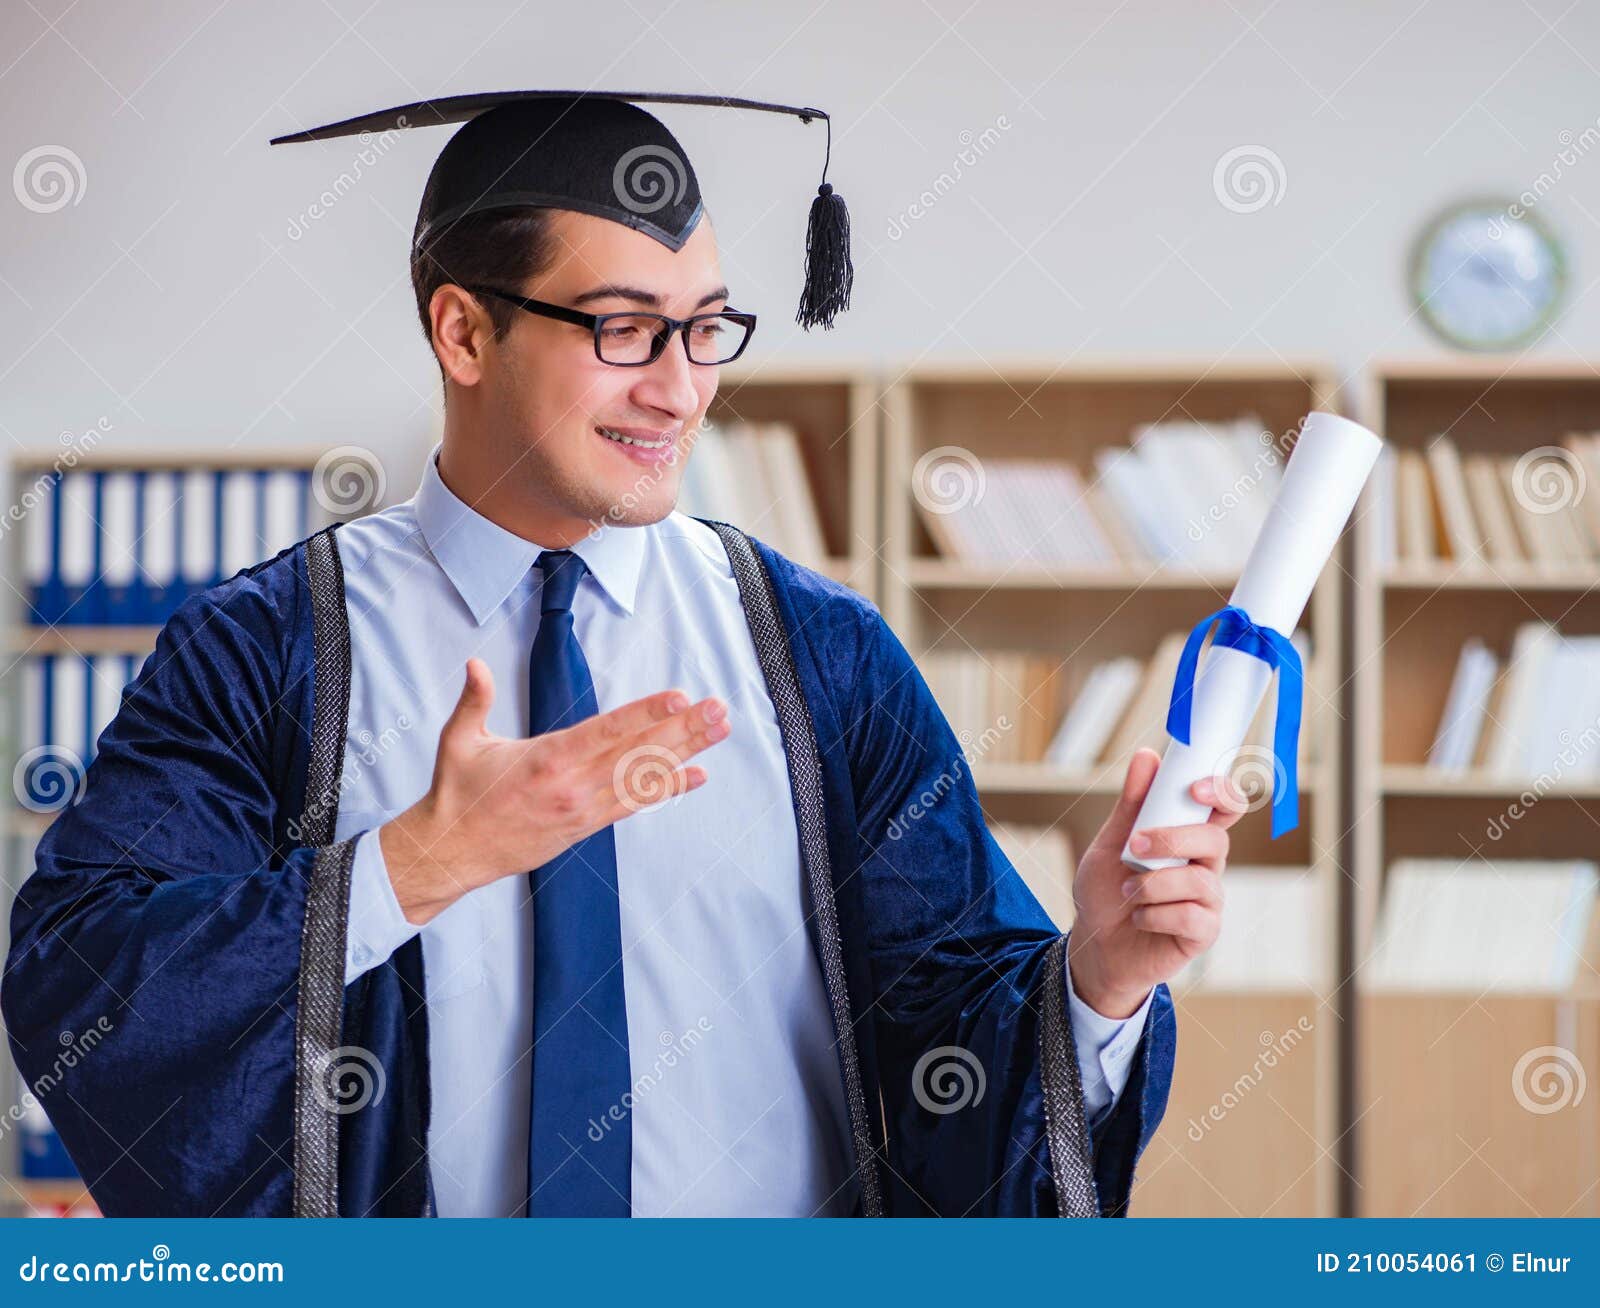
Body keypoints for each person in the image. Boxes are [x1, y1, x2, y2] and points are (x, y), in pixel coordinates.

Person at [2, 91, 1245, 1218]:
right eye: (623, 330)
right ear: (464, 334)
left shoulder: (820, 658)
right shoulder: (267, 650)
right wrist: (408, 868)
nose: (680, 390)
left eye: (707, 331)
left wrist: (1094, 981)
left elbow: (946, 1027)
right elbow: (84, 981)